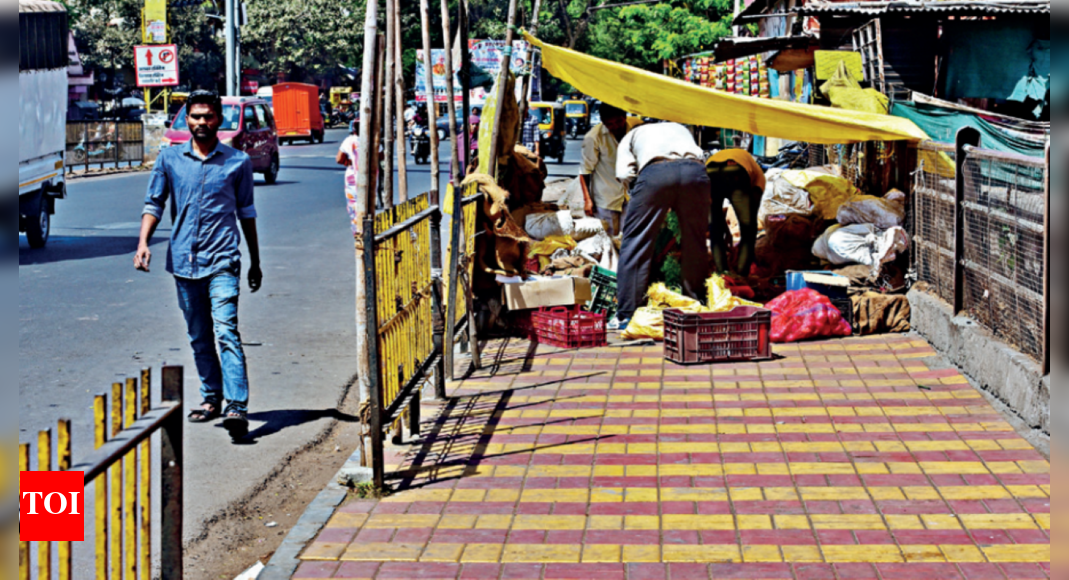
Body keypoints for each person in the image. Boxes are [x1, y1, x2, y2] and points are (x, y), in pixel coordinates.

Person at [135, 90, 261, 441]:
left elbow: (246, 213)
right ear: (186, 120)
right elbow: (154, 202)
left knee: (226, 332)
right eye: (196, 117)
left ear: (219, 120)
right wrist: (143, 243)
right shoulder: (170, 159)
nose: (202, 123)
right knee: (199, 335)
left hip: (223, 260)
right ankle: (211, 399)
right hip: (183, 262)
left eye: (208, 117)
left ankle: (237, 407)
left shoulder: (238, 162)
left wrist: (255, 260)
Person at [612, 122, 711, 330]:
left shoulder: (631, 135)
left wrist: (645, 195)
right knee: (695, 242)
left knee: (636, 243)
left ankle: (627, 315)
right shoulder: (679, 127)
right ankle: (696, 304)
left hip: (656, 172)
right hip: (695, 172)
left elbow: (624, 174)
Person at [706, 149, 766, 277]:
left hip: (709, 171)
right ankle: (741, 276)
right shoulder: (760, 178)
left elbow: (717, 213)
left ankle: (722, 275)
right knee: (749, 231)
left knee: (715, 231)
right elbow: (750, 217)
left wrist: (726, 231)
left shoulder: (748, 164)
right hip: (735, 171)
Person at [579, 104, 632, 236]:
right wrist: (587, 200)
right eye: (610, 124)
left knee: (628, 239)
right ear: (603, 122)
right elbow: (585, 171)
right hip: (605, 199)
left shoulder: (635, 131)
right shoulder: (593, 137)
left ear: (624, 117)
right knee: (607, 240)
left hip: (630, 197)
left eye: (619, 121)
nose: (616, 126)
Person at [337, 121, 362, 236]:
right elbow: (381, 155)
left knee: (353, 206)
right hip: (371, 177)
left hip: (352, 178)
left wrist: (349, 162)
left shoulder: (349, 140)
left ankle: (358, 232)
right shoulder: (374, 138)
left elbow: (339, 159)